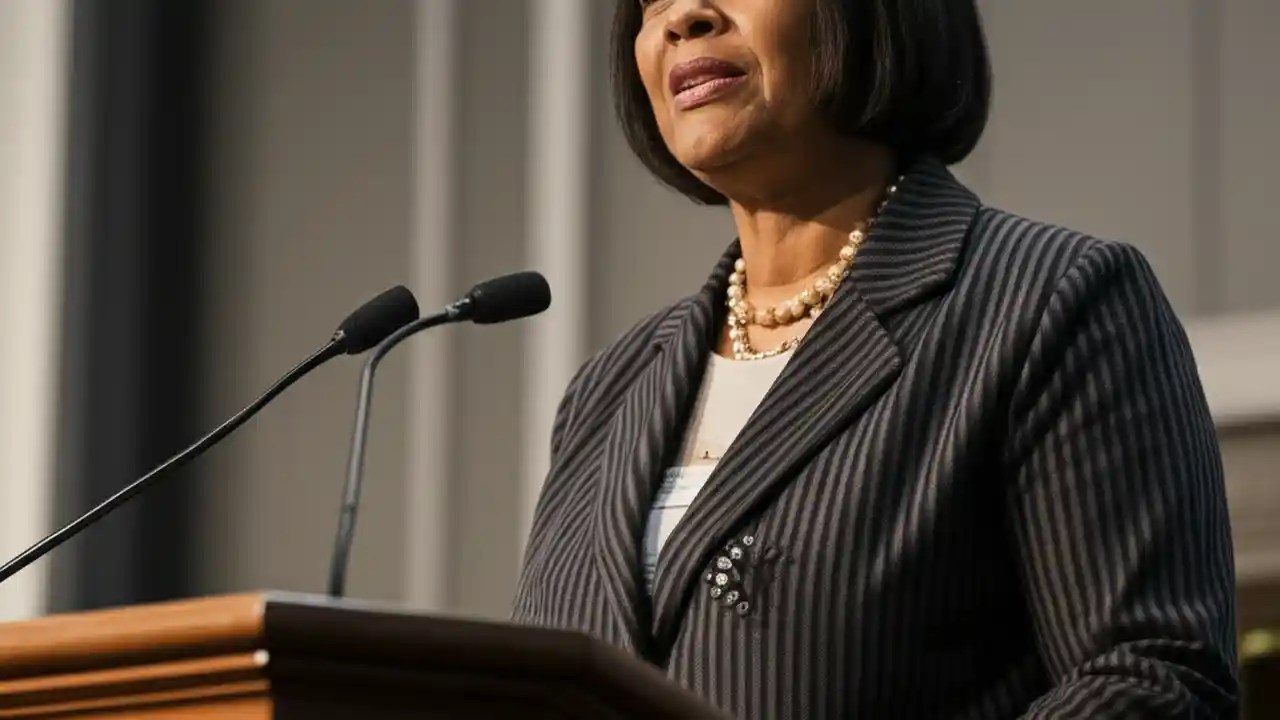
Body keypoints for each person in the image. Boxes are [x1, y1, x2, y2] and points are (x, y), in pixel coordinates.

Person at [512, 1, 1239, 717]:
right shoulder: (608, 391)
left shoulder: (1045, 300)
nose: (682, 17)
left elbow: (1151, 678)